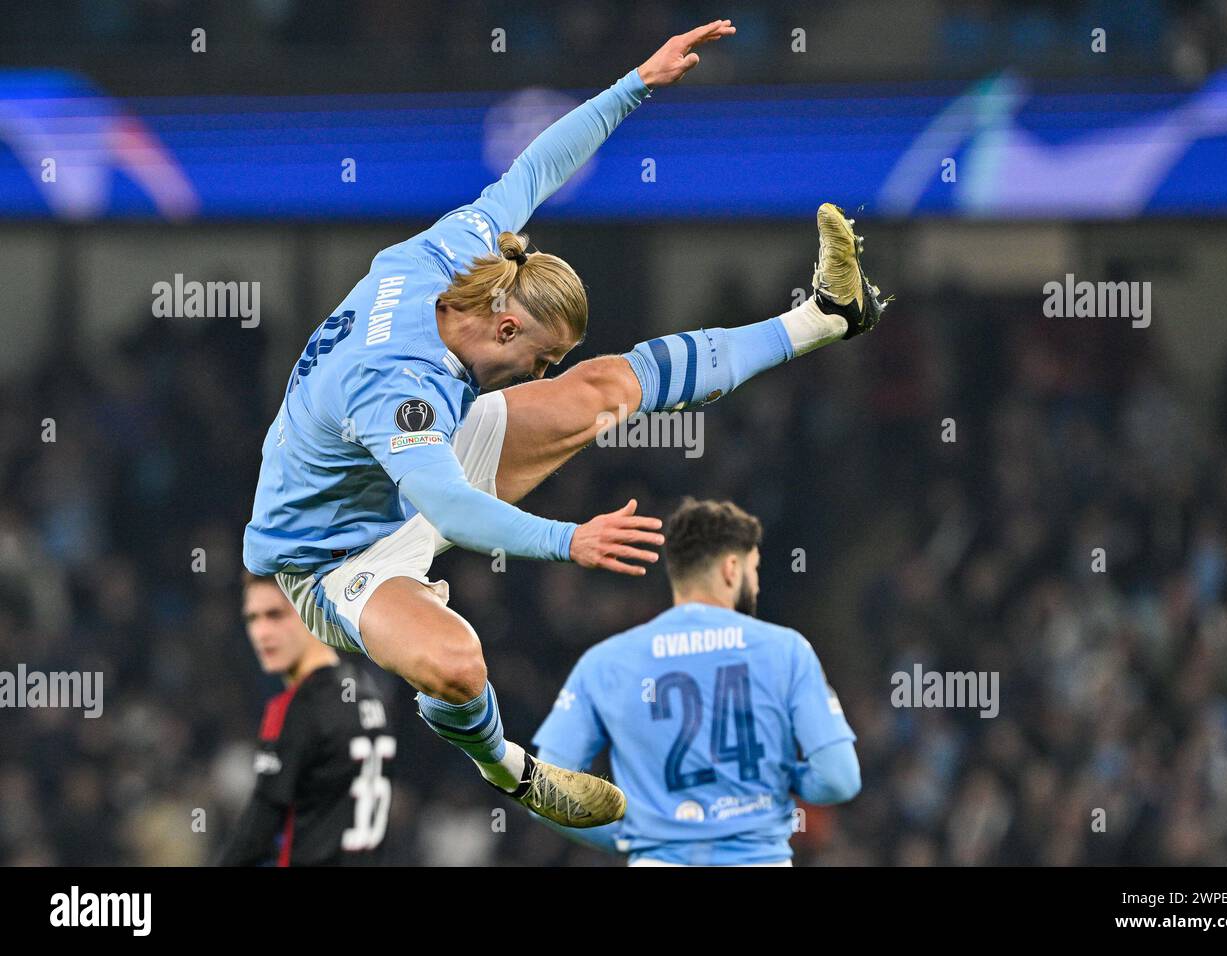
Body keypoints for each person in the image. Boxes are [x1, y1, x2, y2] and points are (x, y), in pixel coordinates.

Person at [243, 19, 888, 829]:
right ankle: (511, 769)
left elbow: (537, 164)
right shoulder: (398, 388)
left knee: (609, 386)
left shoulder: (462, 252)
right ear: (506, 330)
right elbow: (450, 512)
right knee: (454, 664)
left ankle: (827, 316)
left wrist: (637, 84)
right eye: (542, 360)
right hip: (333, 554)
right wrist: (567, 538)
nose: (541, 378)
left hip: (415, 469)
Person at [531, 498, 861, 865]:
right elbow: (840, 778)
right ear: (732, 569)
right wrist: (786, 778)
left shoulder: (605, 662)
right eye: (755, 569)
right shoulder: (786, 650)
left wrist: (631, 839)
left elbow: (545, 794)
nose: (756, 583)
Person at [218, 574, 394, 866]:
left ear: (307, 611)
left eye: (275, 615)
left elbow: (260, 826)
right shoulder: (366, 692)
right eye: (253, 619)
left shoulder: (297, 707)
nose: (262, 633)